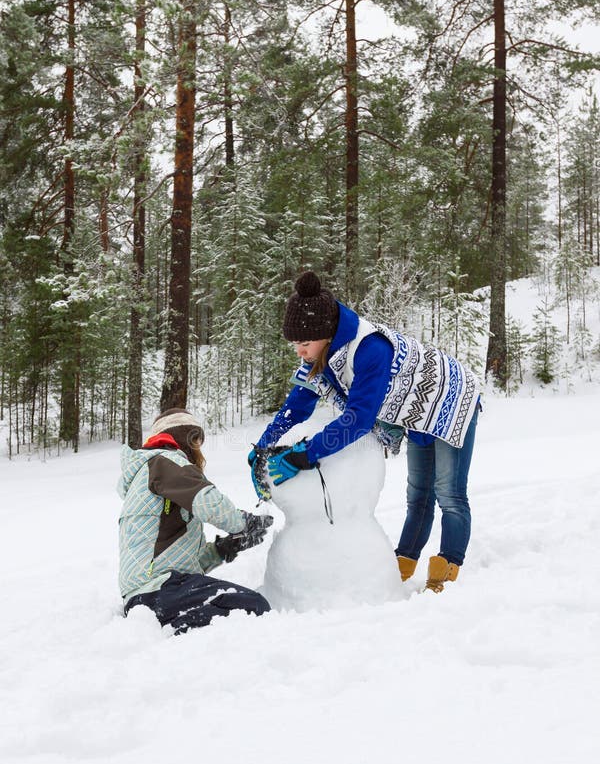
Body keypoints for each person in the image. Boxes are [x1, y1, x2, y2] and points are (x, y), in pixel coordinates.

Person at [250, 271, 480, 593]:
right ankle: (403, 562)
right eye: (295, 345)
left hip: (451, 401)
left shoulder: (370, 348)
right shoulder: (321, 356)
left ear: (324, 334)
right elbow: (298, 405)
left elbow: (358, 418)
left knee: (449, 493)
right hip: (416, 413)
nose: (299, 352)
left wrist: (306, 454)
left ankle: (447, 567)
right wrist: (263, 446)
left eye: (304, 344)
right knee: (418, 494)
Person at [119, 408, 272, 633]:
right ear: (184, 438)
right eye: (196, 442)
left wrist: (223, 549)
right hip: (159, 591)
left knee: (238, 607)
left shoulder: (152, 473)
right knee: (253, 606)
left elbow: (179, 561)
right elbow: (209, 503)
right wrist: (245, 522)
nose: (199, 452)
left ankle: (174, 632)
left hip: (149, 596)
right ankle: (176, 636)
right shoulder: (165, 461)